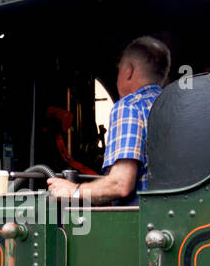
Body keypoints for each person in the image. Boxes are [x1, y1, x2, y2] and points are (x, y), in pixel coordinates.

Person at [47, 36, 169, 205]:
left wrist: (73, 190)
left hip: (138, 223)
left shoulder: (129, 106)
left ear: (128, 71)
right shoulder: (175, 107)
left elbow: (120, 184)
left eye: (118, 71)